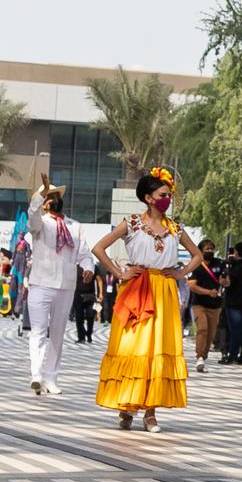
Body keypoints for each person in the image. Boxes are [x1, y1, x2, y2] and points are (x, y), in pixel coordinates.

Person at [91, 170, 203, 431]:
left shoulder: (175, 228)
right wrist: (120, 272)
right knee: (133, 349)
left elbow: (197, 255)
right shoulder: (131, 223)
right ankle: (126, 406)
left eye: (168, 195)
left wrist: (180, 273)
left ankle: (150, 412)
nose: (167, 199)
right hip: (137, 289)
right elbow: (98, 248)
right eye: (163, 195)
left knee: (157, 350)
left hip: (164, 290)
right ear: (148, 198)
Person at [17, 187, 84, 396]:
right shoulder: (40, 223)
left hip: (66, 285)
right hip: (41, 284)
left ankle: (51, 377)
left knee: (57, 334)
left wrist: (89, 267)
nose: (53, 200)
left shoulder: (75, 226)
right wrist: (38, 197)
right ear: (44, 203)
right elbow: (32, 217)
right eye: (49, 197)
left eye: (56, 196)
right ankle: (36, 375)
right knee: (38, 330)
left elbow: (84, 252)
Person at [187, 245, 225, 365]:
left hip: (215, 305)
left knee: (211, 332)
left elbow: (227, 282)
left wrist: (225, 281)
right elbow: (192, 285)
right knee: (203, 328)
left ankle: (204, 355)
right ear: (201, 250)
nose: (210, 251)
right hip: (199, 303)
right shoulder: (196, 265)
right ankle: (199, 357)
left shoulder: (220, 264)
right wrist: (208, 292)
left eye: (212, 249)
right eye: (207, 249)